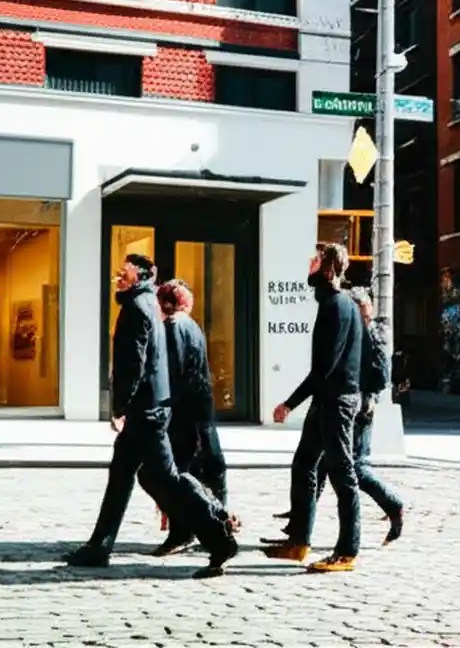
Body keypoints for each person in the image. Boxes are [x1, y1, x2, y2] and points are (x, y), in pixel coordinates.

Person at [64, 255, 239, 579]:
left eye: (125, 271)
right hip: (150, 409)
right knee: (121, 475)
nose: (119, 274)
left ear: (140, 275)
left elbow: (134, 364)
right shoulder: (147, 304)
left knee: (168, 479)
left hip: (145, 412)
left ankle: (218, 532)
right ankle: (99, 546)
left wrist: (120, 408)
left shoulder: (137, 308)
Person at [262, 287, 404, 546]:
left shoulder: (369, 335)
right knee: (318, 465)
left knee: (352, 468)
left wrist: (363, 398)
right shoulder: (353, 329)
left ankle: (392, 505)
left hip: (357, 410)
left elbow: (378, 376)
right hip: (343, 405)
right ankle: (299, 525)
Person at [263, 243, 364, 573]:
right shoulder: (336, 304)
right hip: (328, 399)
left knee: (342, 475)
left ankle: (347, 551)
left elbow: (323, 368)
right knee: (304, 464)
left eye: (316, 259)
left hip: (335, 402)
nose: (309, 263)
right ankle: (298, 541)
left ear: (328, 268)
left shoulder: (336, 306)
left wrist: (288, 404)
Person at [143, 279, 230, 557]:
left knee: (175, 473)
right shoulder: (191, 326)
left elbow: (172, 374)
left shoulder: (173, 328)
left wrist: (163, 408)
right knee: (206, 470)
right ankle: (215, 525)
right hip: (199, 411)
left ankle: (185, 531)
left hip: (183, 413)